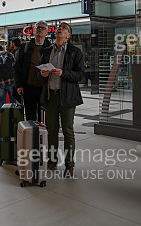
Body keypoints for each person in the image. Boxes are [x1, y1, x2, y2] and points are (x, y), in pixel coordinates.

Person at [38, 22, 84, 177]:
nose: (60, 29)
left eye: (64, 28)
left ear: (68, 35)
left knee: (67, 130)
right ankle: (52, 160)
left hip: (68, 97)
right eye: (59, 27)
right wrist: (42, 74)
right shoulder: (46, 51)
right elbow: (39, 74)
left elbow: (80, 75)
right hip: (51, 96)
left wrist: (63, 73)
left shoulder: (75, 52)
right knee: (51, 130)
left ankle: (69, 164)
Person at [15, 21, 52, 121]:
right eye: (38, 27)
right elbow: (17, 67)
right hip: (29, 86)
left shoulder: (51, 48)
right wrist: (19, 85)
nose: (40, 29)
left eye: (43, 28)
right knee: (30, 115)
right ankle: (31, 134)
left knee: (44, 115)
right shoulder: (25, 47)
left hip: (44, 88)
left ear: (47, 32)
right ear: (34, 31)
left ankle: (42, 135)